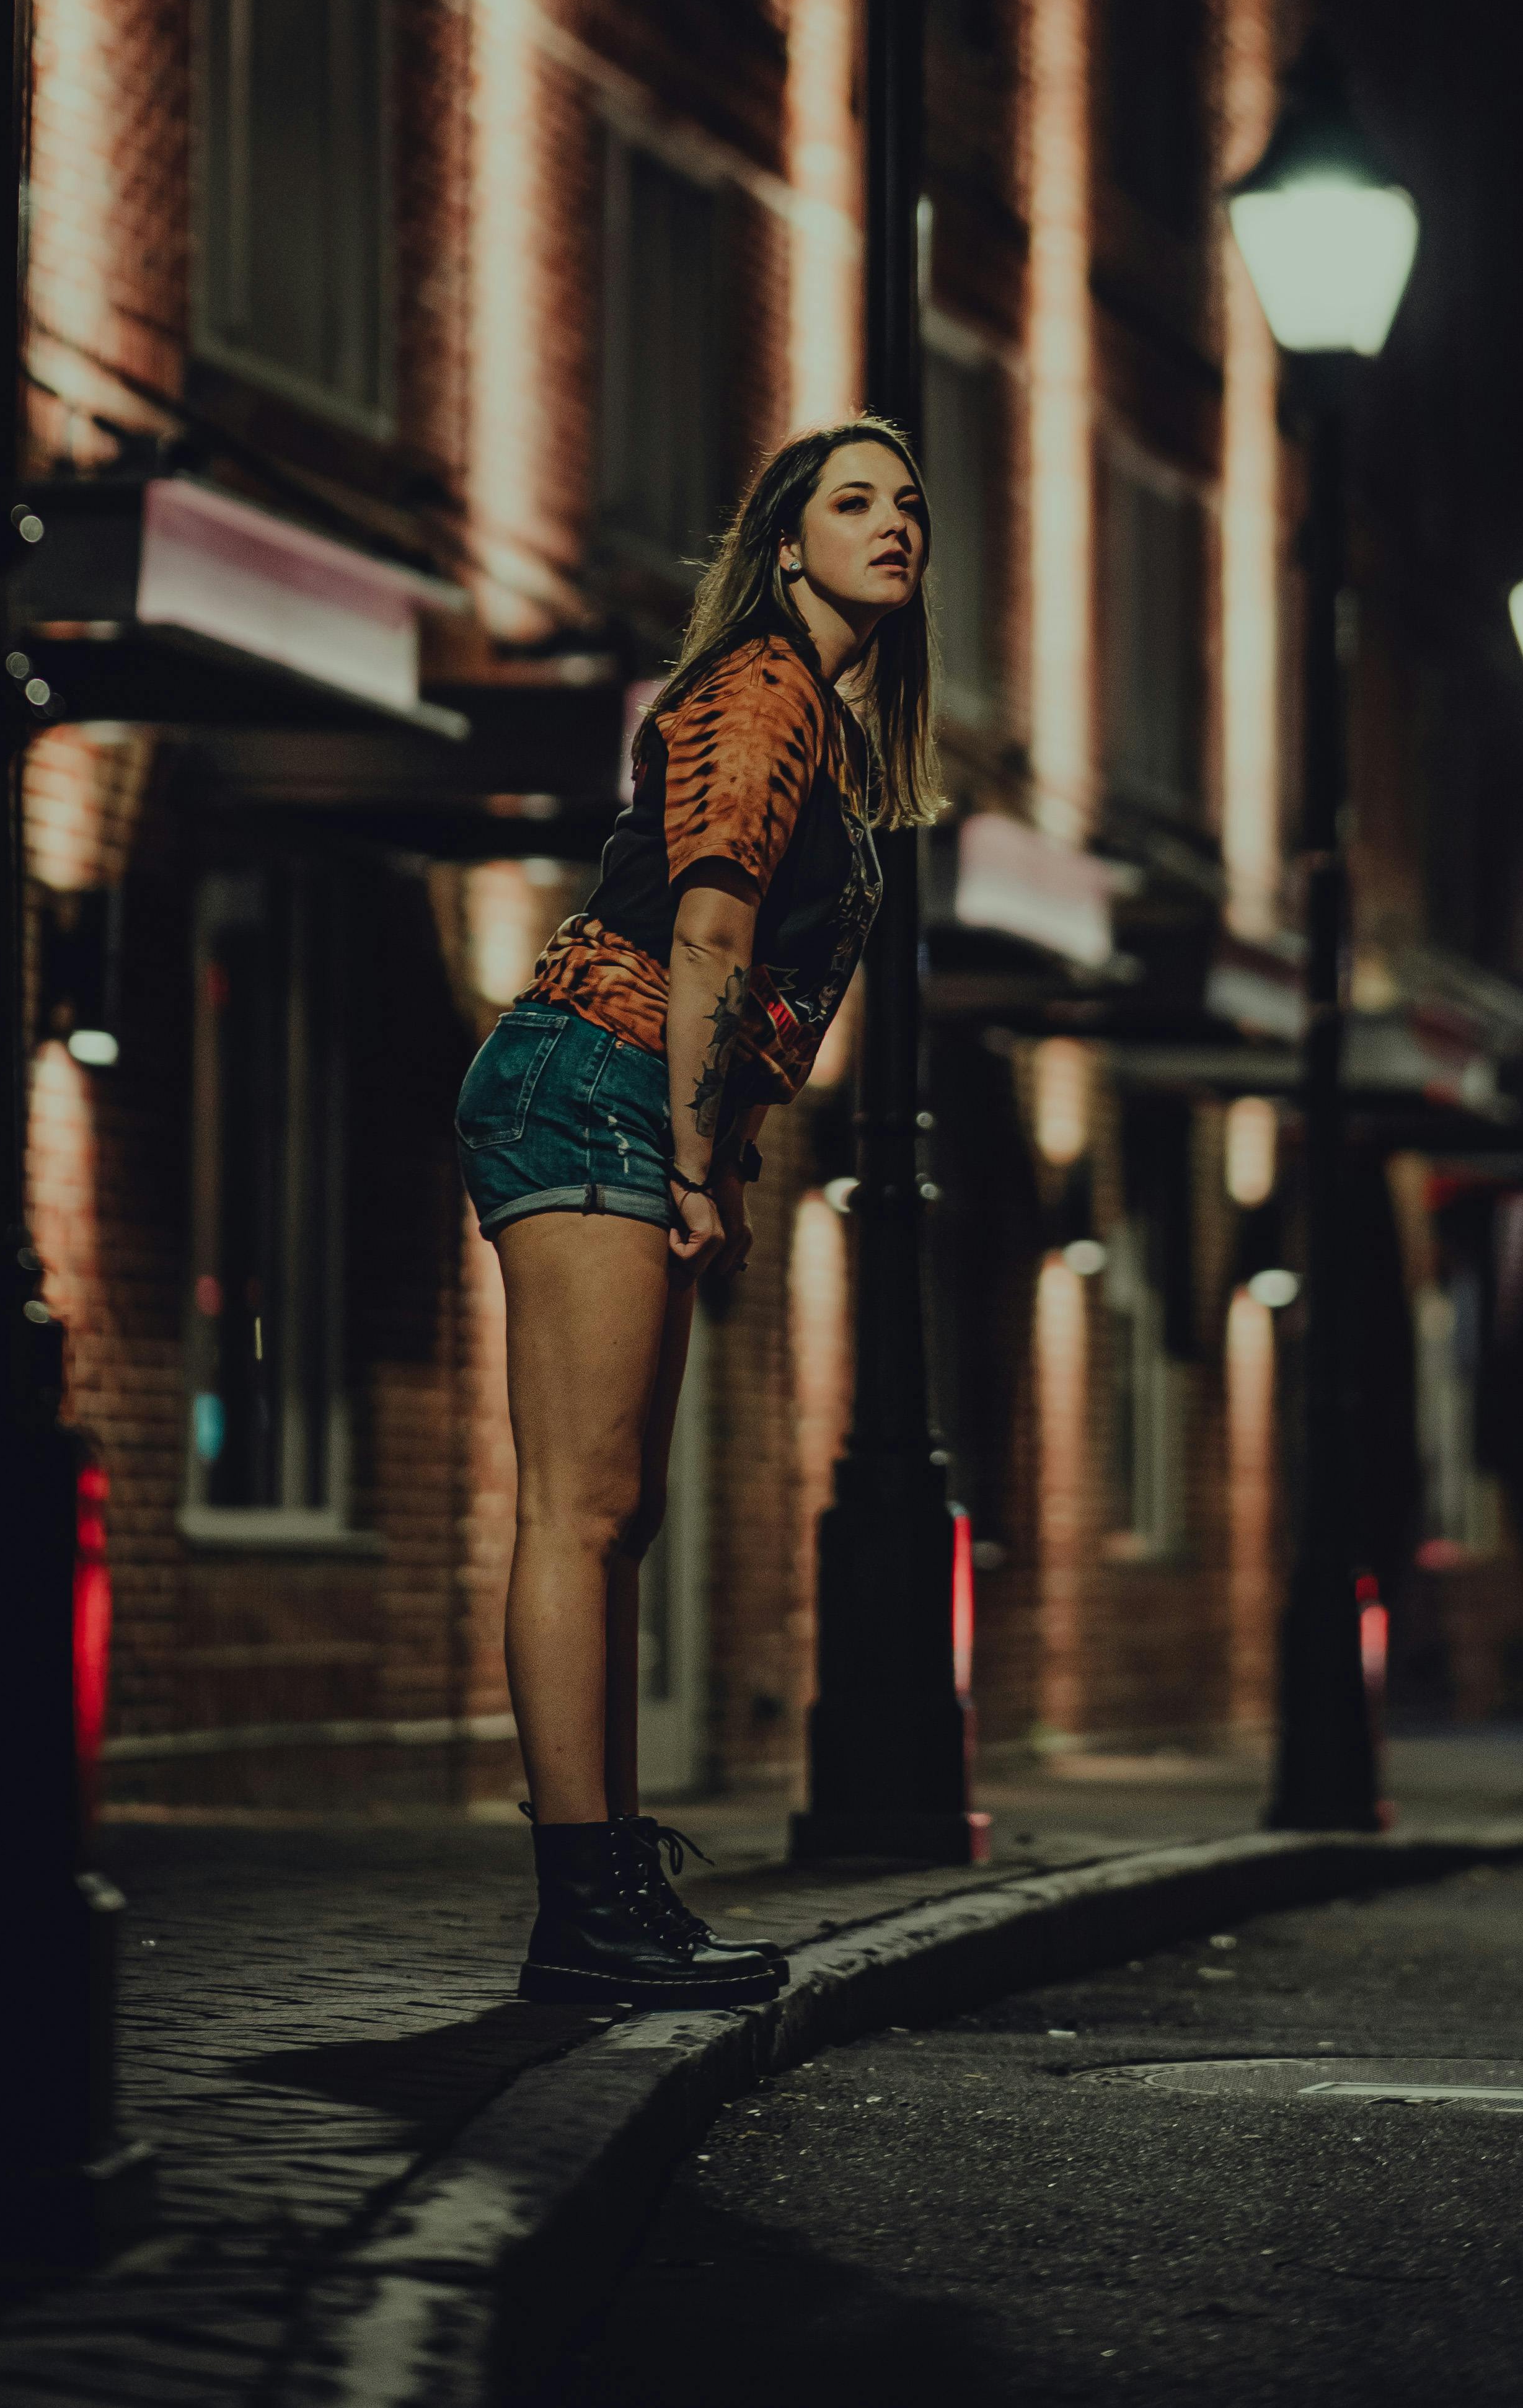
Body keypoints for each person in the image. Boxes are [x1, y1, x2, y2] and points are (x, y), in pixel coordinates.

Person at [453, 417, 935, 2008]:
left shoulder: (830, 714)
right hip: (589, 1071)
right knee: (579, 1509)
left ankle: (606, 1894)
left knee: (619, 1515)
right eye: (851, 500)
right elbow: (711, 937)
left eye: (909, 505)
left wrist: (714, 1156)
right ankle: (578, 1910)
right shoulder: (759, 682)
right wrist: (690, 1156)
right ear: (783, 542)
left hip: (620, 1087)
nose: (893, 523)